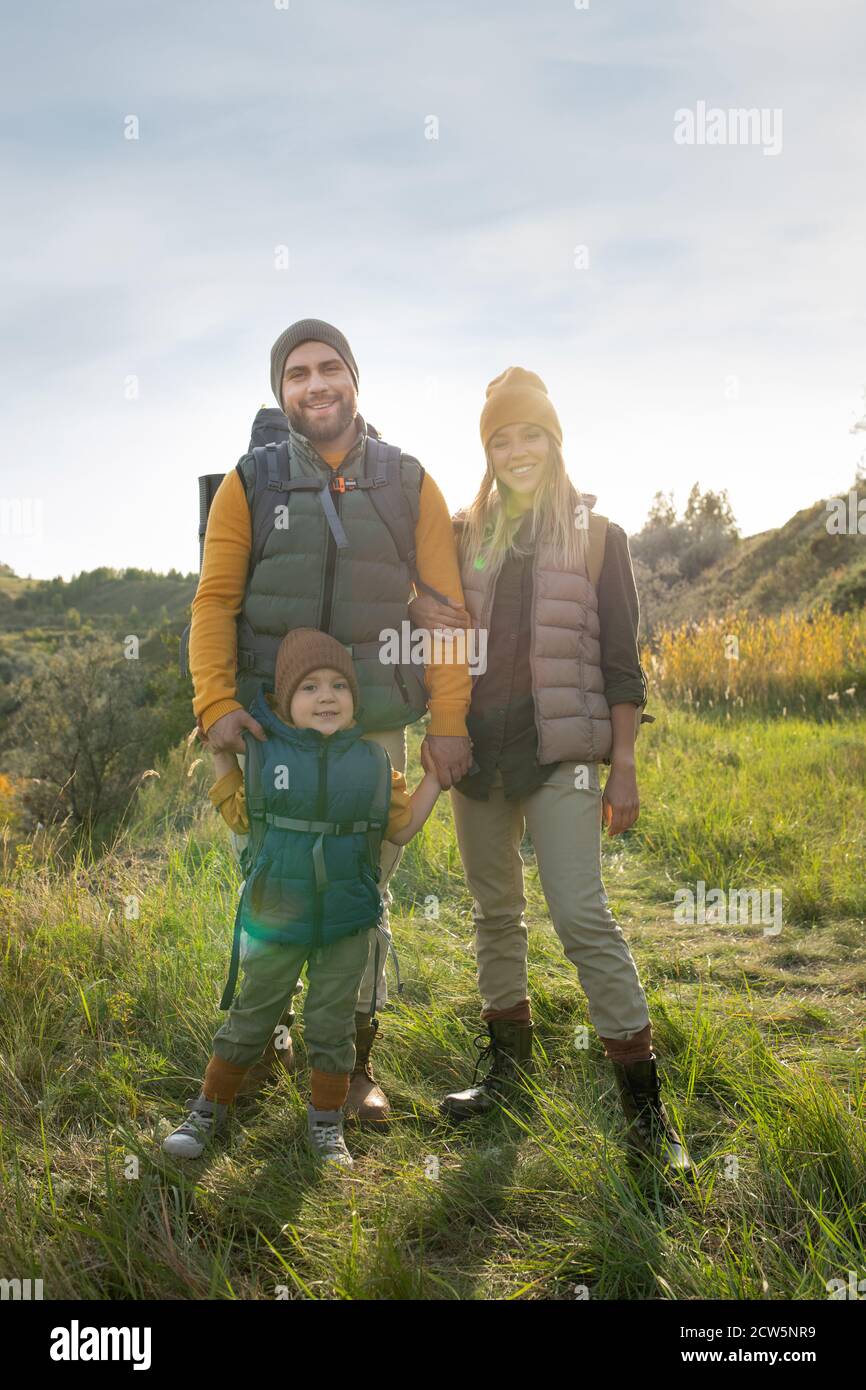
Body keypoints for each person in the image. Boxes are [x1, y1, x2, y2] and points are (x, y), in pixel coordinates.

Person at [188, 320, 472, 1120]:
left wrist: (449, 719)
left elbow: (448, 616)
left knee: (358, 892)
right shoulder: (252, 481)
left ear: (355, 379)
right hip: (264, 727)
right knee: (270, 884)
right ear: (281, 391)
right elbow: (214, 602)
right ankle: (264, 1038)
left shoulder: (409, 482)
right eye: (298, 374)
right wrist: (214, 703)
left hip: (373, 721)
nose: (316, 385)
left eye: (331, 369)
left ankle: (350, 1067)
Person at [411, 367, 691, 1170]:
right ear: (487, 450)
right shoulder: (466, 534)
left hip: (563, 754)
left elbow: (620, 662)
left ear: (554, 438)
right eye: (500, 438)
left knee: (580, 915)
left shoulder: (601, 537)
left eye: (529, 433)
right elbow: (440, 632)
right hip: (477, 756)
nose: (515, 449)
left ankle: (646, 1113)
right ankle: (508, 1074)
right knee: (493, 911)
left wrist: (624, 765)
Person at [163, 629, 443, 1168]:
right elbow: (238, 812)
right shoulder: (266, 757)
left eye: (339, 685)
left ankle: (326, 1123)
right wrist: (222, 757)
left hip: (346, 917)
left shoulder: (372, 763)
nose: (326, 696)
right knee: (252, 1012)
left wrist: (435, 777)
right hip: (277, 914)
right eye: (310, 686)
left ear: (355, 699)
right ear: (285, 702)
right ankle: (207, 1111)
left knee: (333, 1022)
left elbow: (400, 829)